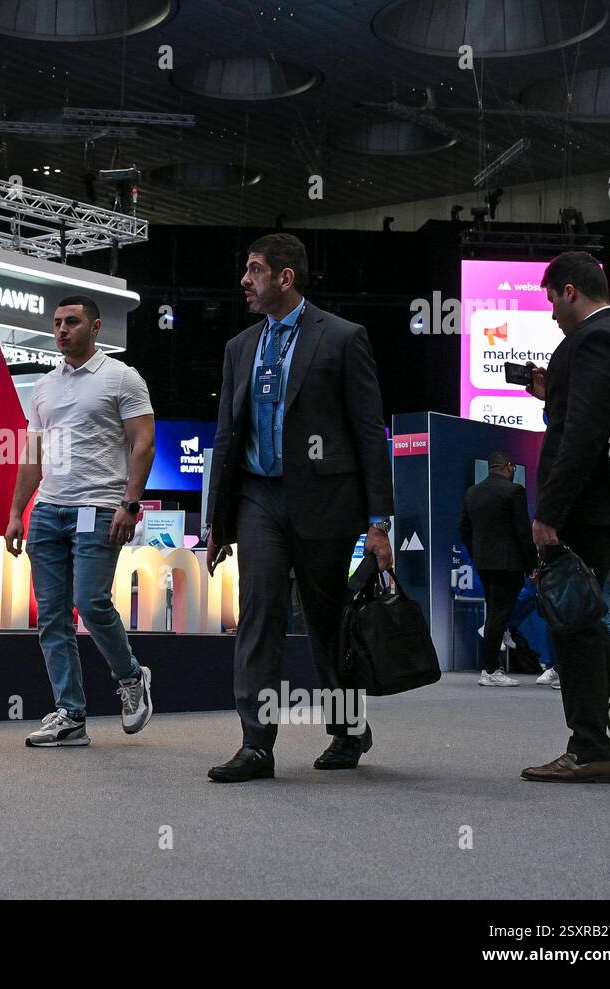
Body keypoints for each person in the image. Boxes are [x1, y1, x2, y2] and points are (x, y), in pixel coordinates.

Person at [205, 233, 394, 783]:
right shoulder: (240, 347)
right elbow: (226, 437)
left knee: (326, 622)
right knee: (259, 613)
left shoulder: (341, 338)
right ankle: (256, 745)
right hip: (258, 497)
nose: (245, 280)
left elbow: (367, 433)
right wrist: (216, 520)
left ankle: (347, 727)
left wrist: (378, 521)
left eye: (255, 270)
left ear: (285, 278)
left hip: (325, 501)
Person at [520, 250, 610, 782]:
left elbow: (581, 436)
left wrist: (549, 512)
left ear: (570, 291)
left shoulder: (592, 340)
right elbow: (594, 418)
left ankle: (589, 747)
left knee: (570, 624)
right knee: (580, 615)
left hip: (585, 506)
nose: (552, 314)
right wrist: (552, 392)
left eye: (552, 301)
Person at [4, 295, 156, 747]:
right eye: (56, 323)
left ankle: (131, 678)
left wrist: (130, 504)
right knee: (51, 616)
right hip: (49, 509)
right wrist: (16, 512)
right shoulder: (45, 386)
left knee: (90, 603)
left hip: (100, 505)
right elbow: (33, 454)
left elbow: (144, 441)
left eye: (72, 322)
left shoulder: (121, 377)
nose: (62, 330)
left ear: (95, 327)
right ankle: (70, 715)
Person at [459, 451, 537, 686]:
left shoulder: (472, 492)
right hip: (509, 564)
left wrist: (476, 555)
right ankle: (491, 670)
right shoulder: (515, 491)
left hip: (483, 562)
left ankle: (491, 666)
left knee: (494, 612)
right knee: (498, 615)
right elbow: (523, 531)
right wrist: (532, 564)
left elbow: (464, 528)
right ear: (509, 467)